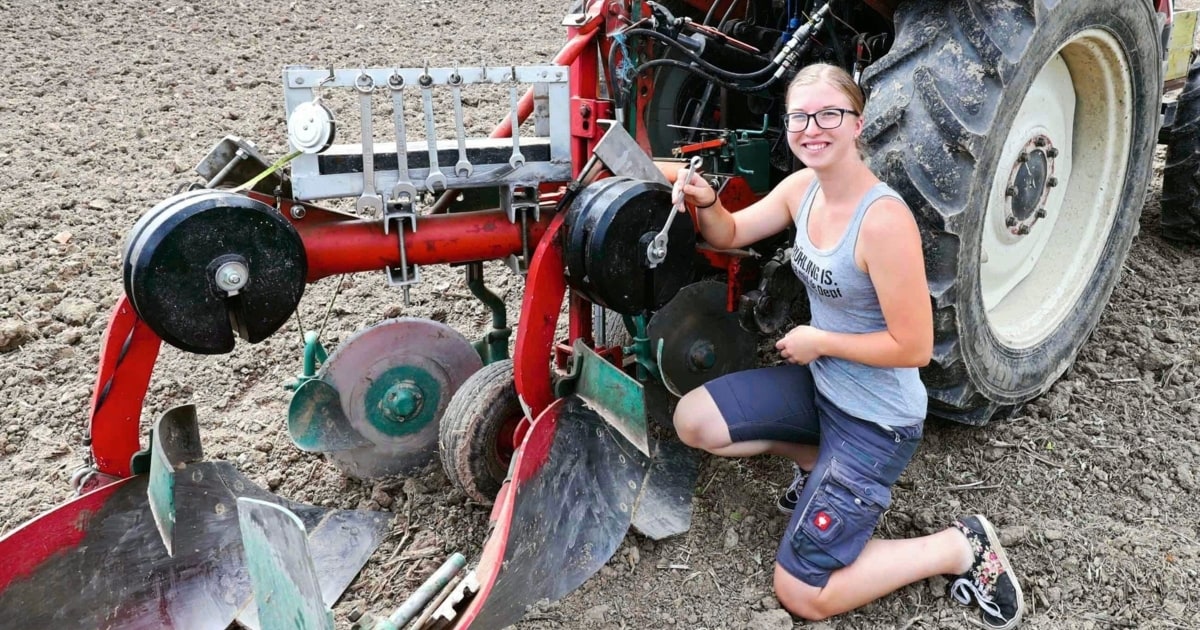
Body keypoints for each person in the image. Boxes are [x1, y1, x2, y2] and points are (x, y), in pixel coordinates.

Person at [662, 63, 1025, 629]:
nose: (813, 128)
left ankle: (959, 547)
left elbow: (915, 347)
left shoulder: (881, 221)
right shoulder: (802, 189)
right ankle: (819, 465)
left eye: (829, 114)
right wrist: (706, 202)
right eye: (800, 117)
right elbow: (729, 234)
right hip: (823, 389)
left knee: (802, 592)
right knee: (694, 420)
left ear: (859, 124)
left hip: (877, 421)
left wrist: (820, 339)